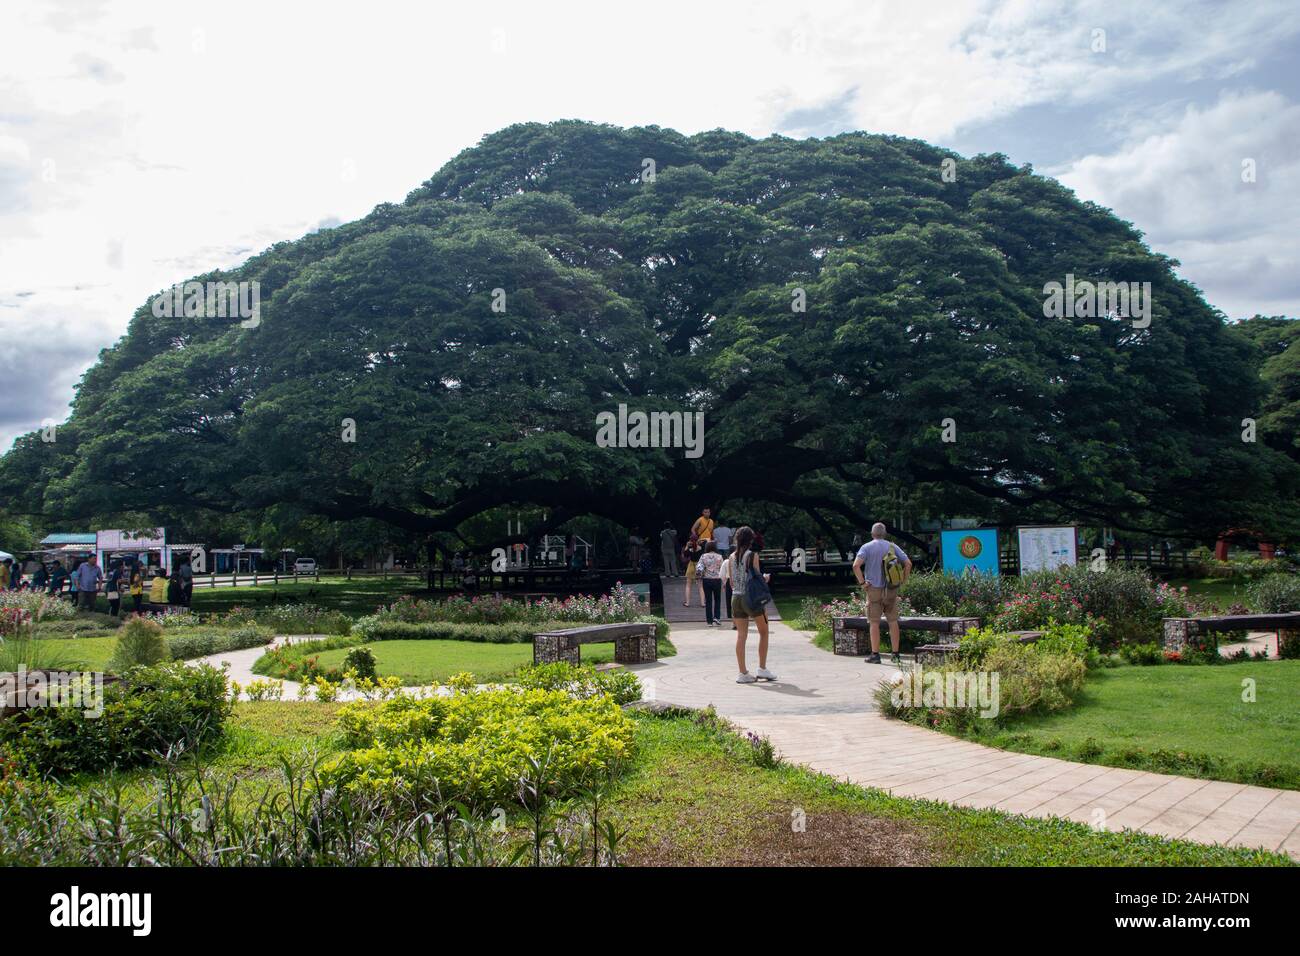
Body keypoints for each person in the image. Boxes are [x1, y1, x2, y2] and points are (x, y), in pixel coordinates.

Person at [852, 522, 913, 665]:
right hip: (891, 588)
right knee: (893, 621)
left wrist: (862, 583)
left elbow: (856, 566)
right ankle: (896, 654)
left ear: (872, 534)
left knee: (874, 622)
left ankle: (875, 655)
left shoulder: (866, 547)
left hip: (873, 589)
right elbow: (908, 563)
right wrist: (903, 580)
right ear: (884, 534)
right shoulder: (892, 547)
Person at [729, 526, 776, 683]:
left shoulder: (730, 557)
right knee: (764, 632)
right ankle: (762, 669)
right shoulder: (752, 556)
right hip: (751, 599)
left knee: (741, 635)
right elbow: (757, 578)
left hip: (736, 598)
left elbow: (732, 582)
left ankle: (742, 673)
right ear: (750, 540)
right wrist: (766, 578)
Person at [697, 539, 724, 626]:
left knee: (708, 601)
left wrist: (698, 577)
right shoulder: (719, 556)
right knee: (717, 599)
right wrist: (724, 581)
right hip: (717, 580)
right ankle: (717, 617)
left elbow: (699, 568)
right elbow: (722, 569)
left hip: (707, 580)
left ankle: (709, 621)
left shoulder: (703, 556)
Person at [681, 535, 702, 607]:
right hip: (698, 567)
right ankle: (703, 603)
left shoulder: (690, 549)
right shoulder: (701, 548)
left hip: (691, 566)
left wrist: (687, 545)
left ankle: (687, 603)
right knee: (700, 586)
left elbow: (685, 555)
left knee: (688, 585)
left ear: (690, 541)